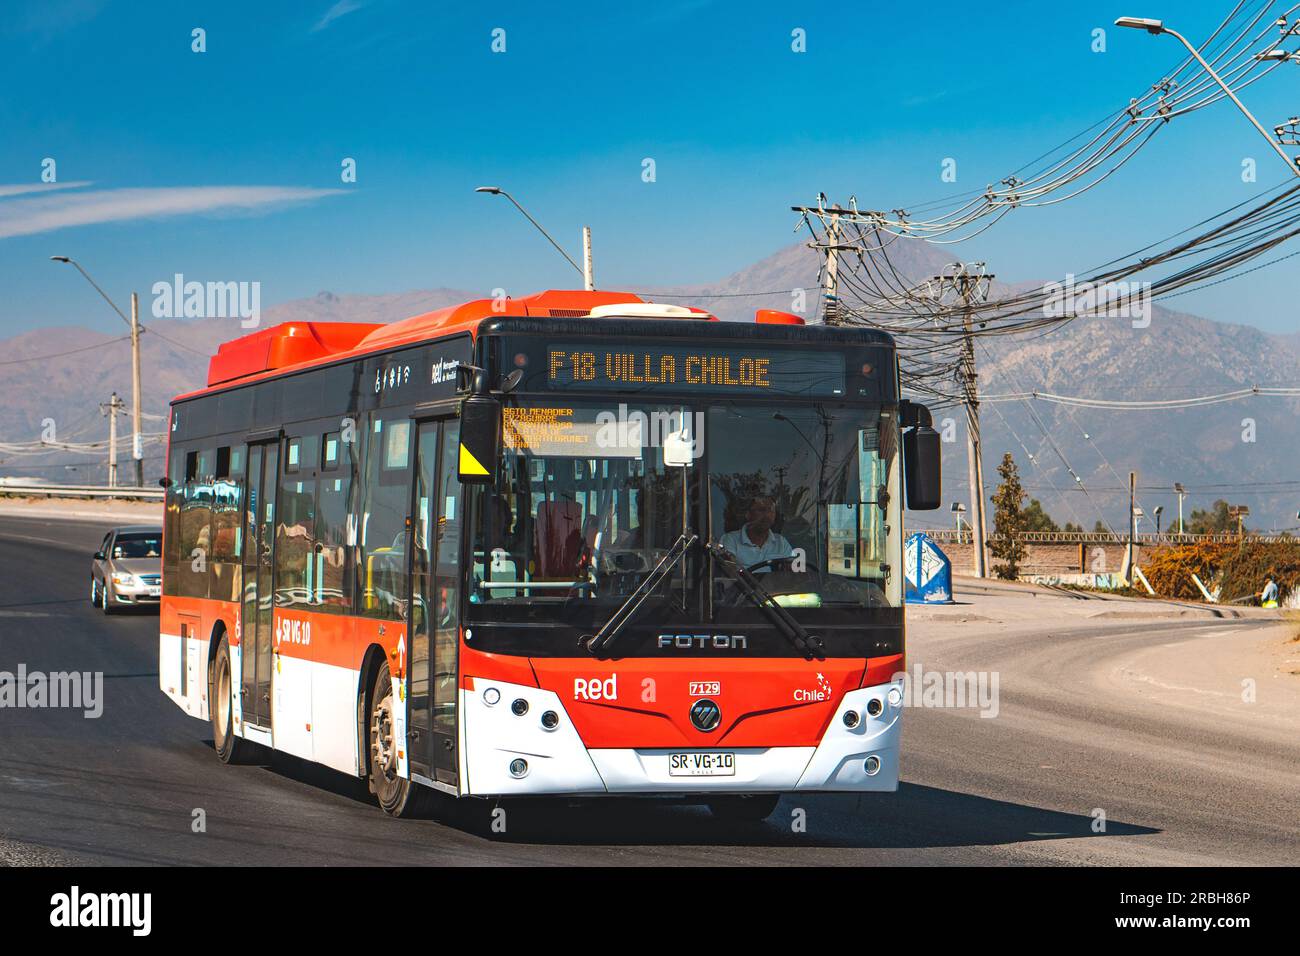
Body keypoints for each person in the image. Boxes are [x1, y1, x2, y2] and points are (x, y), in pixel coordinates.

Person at [719, 495, 793, 571]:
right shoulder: (730, 540)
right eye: (761, 510)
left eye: (771, 510)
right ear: (748, 514)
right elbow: (729, 573)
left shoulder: (781, 542)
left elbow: (789, 575)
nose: (767, 515)